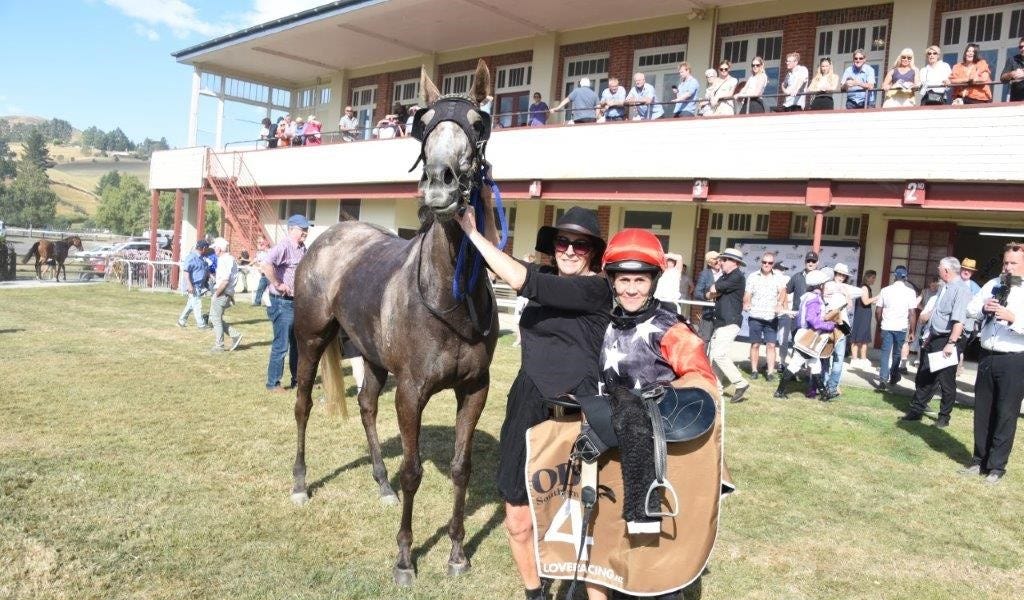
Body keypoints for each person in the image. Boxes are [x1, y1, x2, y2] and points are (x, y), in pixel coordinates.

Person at [456, 205, 610, 600]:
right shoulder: (543, 274)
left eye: (581, 244)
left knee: (585, 519)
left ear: (592, 251)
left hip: (578, 417)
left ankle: (587, 589)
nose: (570, 250)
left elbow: (522, 281)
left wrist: (471, 234)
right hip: (527, 404)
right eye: (563, 241)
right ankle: (534, 592)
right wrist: (479, 213)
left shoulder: (596, 289)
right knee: (517, 515)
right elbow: (499, 262)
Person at [586, 228, 724, 600]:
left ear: (654, 281)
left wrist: (652, 400)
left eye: (640, 280)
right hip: (608, 448)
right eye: (623, 280)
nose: (631, 289)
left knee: (656, 562)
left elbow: (702, 381)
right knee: (607, 546)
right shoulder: (603, 321)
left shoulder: (670, 327)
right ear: (612, 281)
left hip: (657, 455)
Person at [962, 241, 1024, 484]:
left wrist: (1013, 319)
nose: (1008, 267)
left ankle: (997, 467)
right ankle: (979, 461)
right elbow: (970, 309)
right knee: (983, 410)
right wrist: (983, 308)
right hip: (987, 355)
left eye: (1013, 263)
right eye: (1006, 262)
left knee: (1006, 413)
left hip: (1014, 359)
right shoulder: (992, 284)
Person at [902, 257, 972, 427]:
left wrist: (951, 343)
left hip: (948, 339)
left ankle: (944, 417)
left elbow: (959, 320)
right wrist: (929, 336)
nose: (938, 269)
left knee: (946, 381)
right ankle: (916, 410)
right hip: (934, 337)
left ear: (947, 270)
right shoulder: (944, 287)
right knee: (926, 374)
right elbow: (937, 313)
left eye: (940, 267)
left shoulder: (961, 290)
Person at [774, 269, 839, 399]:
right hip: (807, 335)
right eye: (824, 284)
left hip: (806, 334)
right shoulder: (814, 299)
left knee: (815, 365)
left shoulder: (808, 296)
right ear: (820, 285)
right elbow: (812, 320)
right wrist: (830, 326)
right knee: (795, 364)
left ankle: (825, 394)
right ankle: (780, 392)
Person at [263, 214, 310, 393]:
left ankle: (297, 380)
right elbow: (266, 264)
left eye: (306, 229)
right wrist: (277, 283)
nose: (305, 232)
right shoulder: (284, 246)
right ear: (291, 230)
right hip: (282, 303)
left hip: (296, 303)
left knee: (297, 345)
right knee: (281, 345)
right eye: (302, 229)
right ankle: (273, 384)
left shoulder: (302, 248)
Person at [707, 248, 749, 403]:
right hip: (722, 321)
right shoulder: (726, 276)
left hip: (730, 322)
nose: (721, 262)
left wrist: (715, 291)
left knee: (719, 355)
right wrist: (714, 291)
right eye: (721, 259)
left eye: (724, 260)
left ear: (735, 262)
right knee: (713, 357)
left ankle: (740, 383)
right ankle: (716, 390)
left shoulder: (737, 276)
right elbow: (708, 293)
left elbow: (713, 290)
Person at [873, 266, 918, 390]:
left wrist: (879, 324)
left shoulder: (885, 290)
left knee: (885, 353)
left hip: (887, 326)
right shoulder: (910, 292)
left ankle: (882, 380)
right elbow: (912, 313)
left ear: (894, 276)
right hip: (901, 327)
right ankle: (893, 376)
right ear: (906, 277)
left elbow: (878, 311)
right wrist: (912, 331)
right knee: (897, 354)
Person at [744, 251, 786, 379]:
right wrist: (746, 303)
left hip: (771, 317)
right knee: (755, 344)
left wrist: (779, 303)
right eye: (764, 262)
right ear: (761, 262)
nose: (766, 264)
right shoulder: (752, 276)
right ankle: (754, 371)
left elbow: (783, 291)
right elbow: (747, 294)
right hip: (755, 316)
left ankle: (770, 372)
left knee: (771, 345)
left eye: (769, 263)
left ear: (773, 264)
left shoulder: (778, 277)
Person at [782, 252, 820, 371]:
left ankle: (810, 374)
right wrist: (786, 309)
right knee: (796, 345)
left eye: (813, 261)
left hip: (814, 318)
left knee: (812, 346)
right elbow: (785, 291)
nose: (810, 263)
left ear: (817, 263)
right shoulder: (797, 276)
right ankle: (793, 373)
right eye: (808, 261)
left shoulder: (821, 278)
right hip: (797, 317)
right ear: (805, 262)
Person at [208, 238, 243, 352]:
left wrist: (216, 294)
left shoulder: (224, 260)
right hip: (226, 292)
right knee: (215, 318)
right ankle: (235, 335)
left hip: (222, 292)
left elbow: (225, 280)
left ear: (219, 248)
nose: (214, 250)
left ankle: (220, 345)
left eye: (215, 248)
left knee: (215, 319)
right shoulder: (229, 259)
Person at [177, 240, 212, 329]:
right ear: (203, 248)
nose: (208, 250)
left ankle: (181, 321)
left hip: (199, 286)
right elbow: (186, 272)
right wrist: (189, 285)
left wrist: (211, 277)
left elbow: (204, 270)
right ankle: (201, 324)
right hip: (193, 285)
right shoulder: (191, 257)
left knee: (191, 305)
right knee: (197, 304)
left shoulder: (202, 258)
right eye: (207, 248)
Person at [849, 269, 878, 368]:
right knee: (858, 336)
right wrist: (877, 297)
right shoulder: (864, 287)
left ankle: (863, 358)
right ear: (868, 277)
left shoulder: (867, 288)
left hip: (865, 314)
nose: (874, 280)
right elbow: (865, 301)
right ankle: (854, 358)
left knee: (864, 337)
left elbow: (867, 301)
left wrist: (876, 301)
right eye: (873, 278)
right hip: (862, 314)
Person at [694, 250, 722, 341]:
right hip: (708, 313)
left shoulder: (726, 273)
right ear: (709, 263)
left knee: (719, 342)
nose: (718, 261)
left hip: (723, 314)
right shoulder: (705, 274)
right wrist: (707, 296)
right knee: (704, 340)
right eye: (715, 259)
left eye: (719, 258)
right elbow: (697, 293)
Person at [1000, 37, 1024, 102]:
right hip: (1016, 100)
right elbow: (1002, 79)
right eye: (1021, 47)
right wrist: (1012, 74)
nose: (1023, 49)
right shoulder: (1012, 60)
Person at [252, 239, 270, 306]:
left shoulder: (270, 252)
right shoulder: (260, 254)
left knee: (273, 290)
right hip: (263, 275)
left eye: (262, 245)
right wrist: (249, 265)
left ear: (265, 245)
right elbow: (255, 260)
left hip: (270, 275)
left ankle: (273, 303)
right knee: (260, 289)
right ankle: (257, 302)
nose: (260, 246)